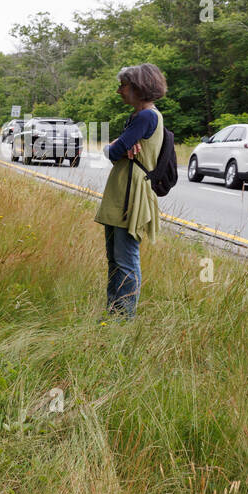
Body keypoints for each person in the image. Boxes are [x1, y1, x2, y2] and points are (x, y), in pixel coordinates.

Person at [95, 63, 166, 318]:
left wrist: (115, 145)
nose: (119, 91)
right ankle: (114, 315)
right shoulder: (140, 116)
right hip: (123, 191)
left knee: (125, 260)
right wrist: (117, 147)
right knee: (115, 260)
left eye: (123, 85)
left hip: (130, 195)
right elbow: (116, 152)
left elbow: (113, 151)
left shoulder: (147, 116)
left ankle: (124, 319)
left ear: (138, 87)